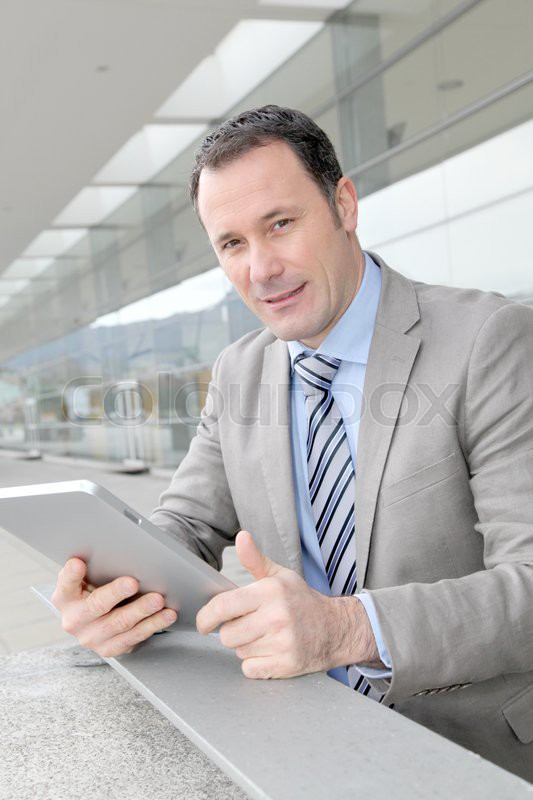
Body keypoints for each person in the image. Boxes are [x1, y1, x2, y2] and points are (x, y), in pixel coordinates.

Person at [52, 105, 533, 781]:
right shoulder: (240, 371)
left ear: (342, 204)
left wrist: (347, 629)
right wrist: (111, 591)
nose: (261, 269)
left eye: (279, 224)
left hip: (477, 752)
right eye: (232, 244)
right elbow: (184, 524)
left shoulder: (490, 341)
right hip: (300, 741)